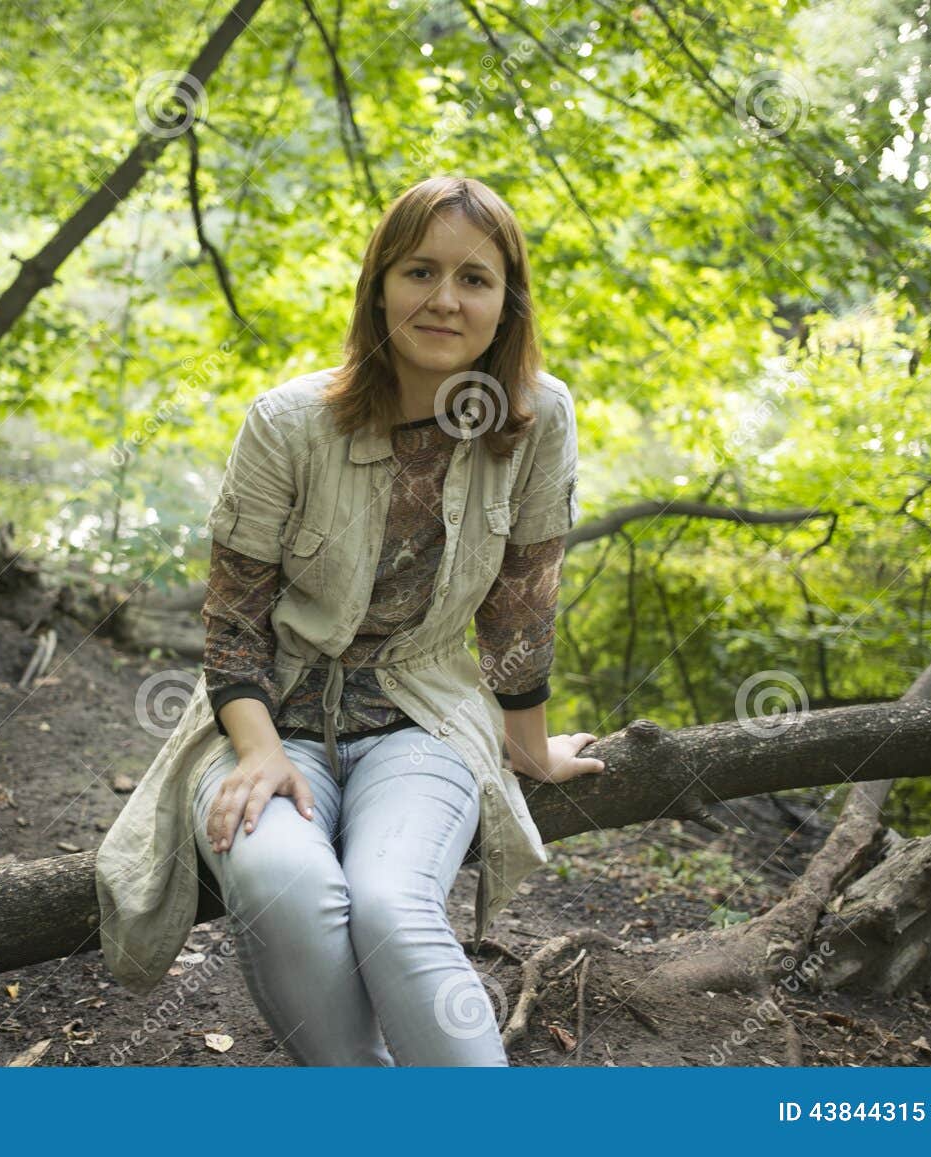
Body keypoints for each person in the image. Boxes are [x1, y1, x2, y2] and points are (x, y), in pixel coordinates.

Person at [93, 175, 606, 1066]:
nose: (445, 299)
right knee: (282, 881)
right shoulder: (288, 423)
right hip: (269, 718)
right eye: (420, 272)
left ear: (506, 303)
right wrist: (256, 751)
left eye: (475, 279)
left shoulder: (539, 417)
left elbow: (522, 606)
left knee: (392, 906)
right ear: (380, 287)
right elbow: (233, 621)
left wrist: (532, 749)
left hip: (426, 716)